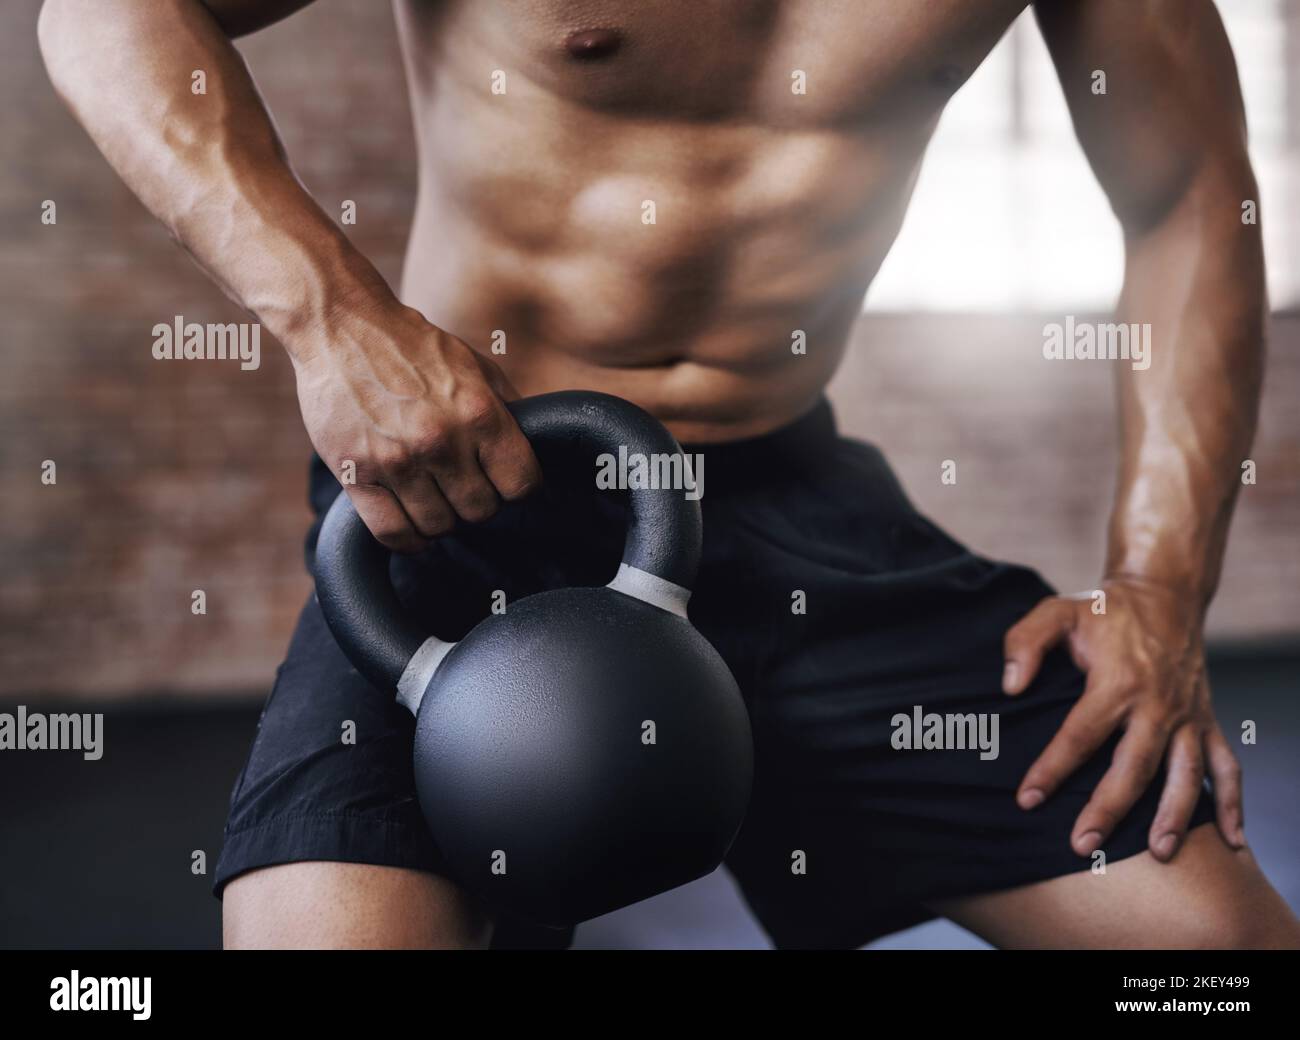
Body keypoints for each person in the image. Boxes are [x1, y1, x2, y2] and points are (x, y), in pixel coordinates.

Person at [39, 0, 1300, 949]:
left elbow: (1188, 193)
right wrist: (333, 319)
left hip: (795, 504)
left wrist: (1156, 586)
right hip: (478, 509)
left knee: (1216, 953)